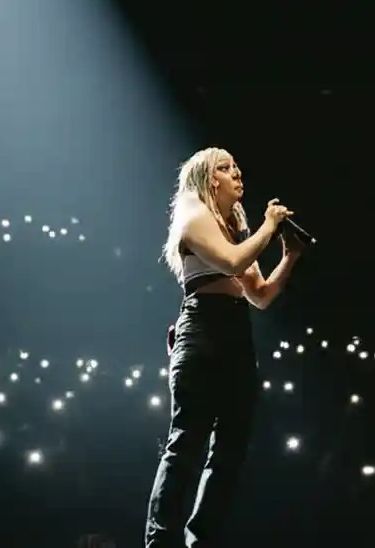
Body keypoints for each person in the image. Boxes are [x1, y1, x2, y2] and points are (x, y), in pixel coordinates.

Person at [144, 147, 303, 547]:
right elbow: (232, 264)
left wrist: (290, 256)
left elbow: (261, 295)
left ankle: (201, 540)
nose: (237, 173)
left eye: (236, 166)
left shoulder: (235, 227)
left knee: (230, 449)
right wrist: (269, 226)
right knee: (187, 440)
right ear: (208, 177)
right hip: (202, 328)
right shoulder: (194, 215)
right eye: (226, 167)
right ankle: (159, 541)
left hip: (235, 331)